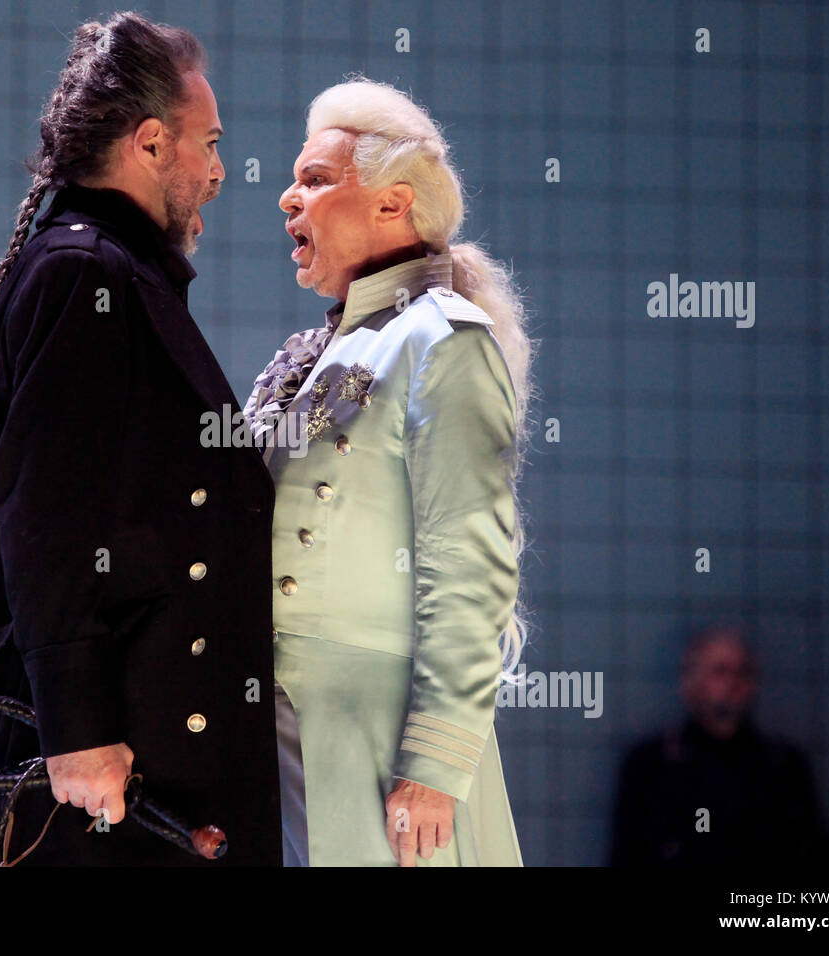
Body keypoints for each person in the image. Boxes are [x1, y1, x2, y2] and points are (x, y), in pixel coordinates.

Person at [0, 12, 281, 866]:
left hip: (95, 770)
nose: (221, 173)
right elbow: (45, 516)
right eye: (211, 143)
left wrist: (9, 688)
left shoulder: (69, 268)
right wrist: (73, 726)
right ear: (152, 144)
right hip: (102, 782)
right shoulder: (89, 276)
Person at [243, 77, 537, 866]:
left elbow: (472, 567)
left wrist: (438, 767)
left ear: (391, 203)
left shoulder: (442, 339)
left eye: (315, 179)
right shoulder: (318, 354)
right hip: (276, 723)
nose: (287, 198)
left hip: (381, 737)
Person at [610, 625, 829, 866]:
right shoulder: (649, 764)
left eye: (744, 671)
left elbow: (811, 849)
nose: (734, 682)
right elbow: (627, 855)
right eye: (721, 671)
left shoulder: (783, 764)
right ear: (690, 684)